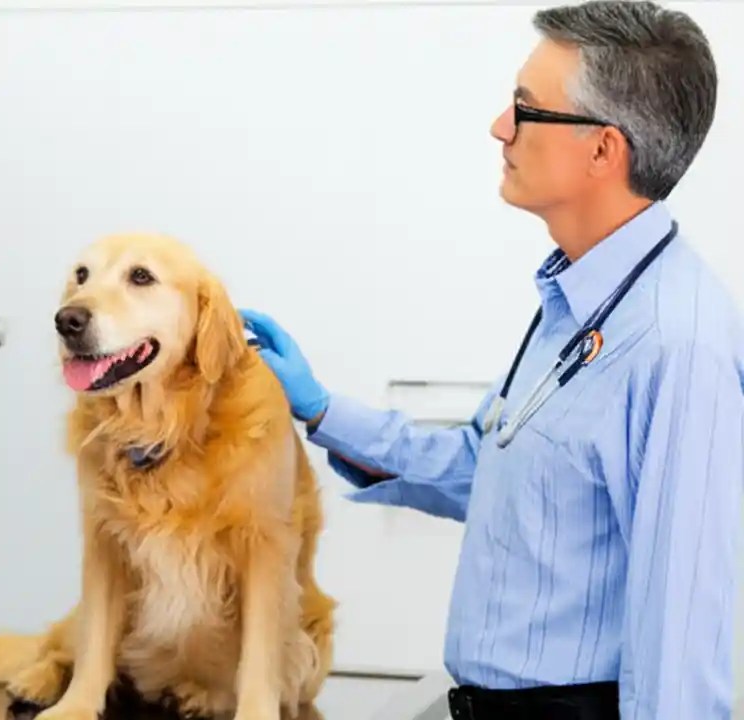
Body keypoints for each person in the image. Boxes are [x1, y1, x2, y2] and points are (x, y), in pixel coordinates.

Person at [242, 2, 743, 719]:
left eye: (525, 109)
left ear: (604, 150)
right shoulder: (576, 299)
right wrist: (322, 409)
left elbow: (683, 635)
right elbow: (492, 470)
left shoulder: (679, 343)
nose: (500, 127)